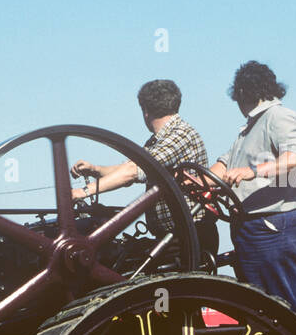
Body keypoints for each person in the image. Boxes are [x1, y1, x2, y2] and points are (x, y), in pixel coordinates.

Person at [207, 61, 296, 313]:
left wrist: (251, 172)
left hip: (274, 229)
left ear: (242, 93)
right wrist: (197, 181)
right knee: (262, 315)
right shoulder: (250, 127)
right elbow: (224, 164)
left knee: (282, 314)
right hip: (255, 229)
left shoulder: (279, 117)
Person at [69, 79, 218, 257]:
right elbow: (130, 168)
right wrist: (96, 170)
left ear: (145, 111)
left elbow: (132, 172)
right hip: (172, 237)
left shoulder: (180, 135)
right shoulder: (158, 140)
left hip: (190, 237)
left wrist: (83, 192)